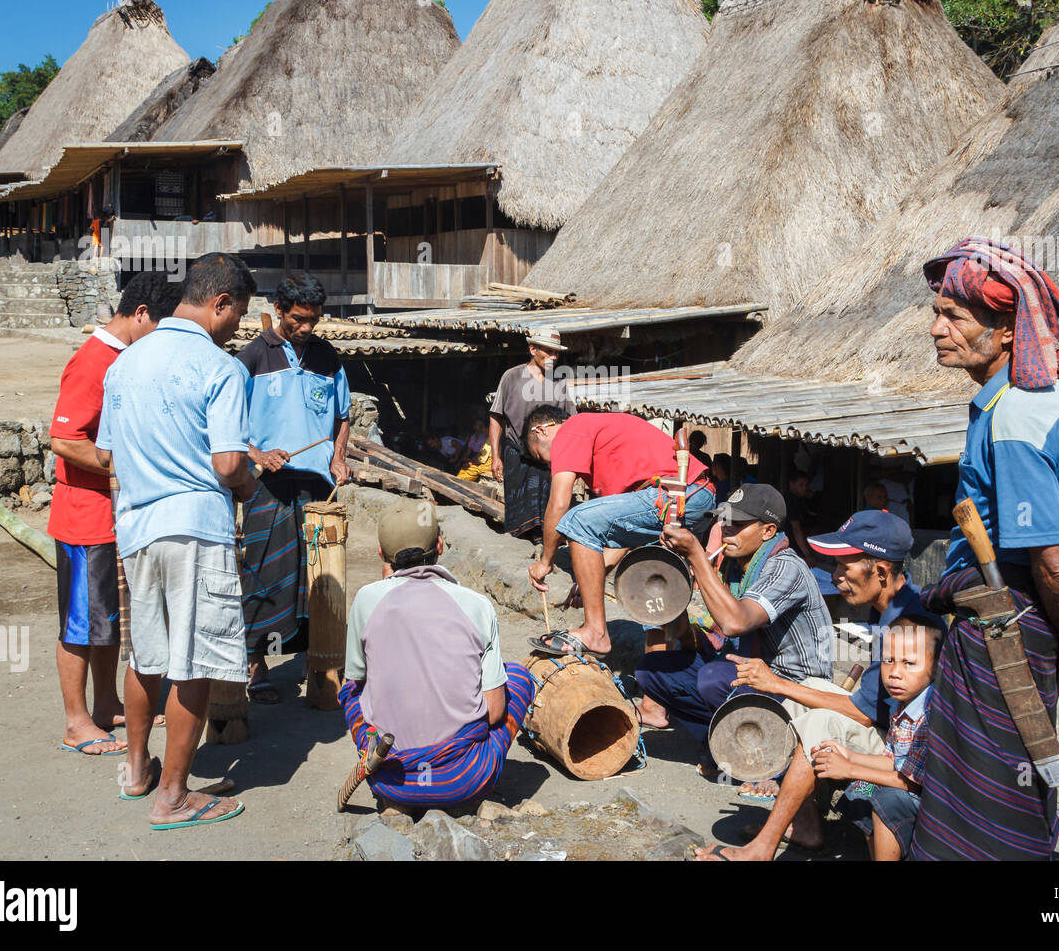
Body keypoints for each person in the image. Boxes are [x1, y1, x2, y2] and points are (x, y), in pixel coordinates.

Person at [912, 237, 1059, 861]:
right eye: (937, 311)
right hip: (1028, 630)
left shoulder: (1016, 420)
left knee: (980, 797)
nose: (936, 328)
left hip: (1004, 631)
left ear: (1005, 331)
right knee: (1019, 778)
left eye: (954, 316)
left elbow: (1057, 564)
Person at [97, 252, 257, 829]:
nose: (238, 324)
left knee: (147, 655)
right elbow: (228, 461)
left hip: (137, 527)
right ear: (219, 303)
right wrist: (247, 480)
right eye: (237, 313)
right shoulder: (220, 369)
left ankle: (138, 771)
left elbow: (109, 453)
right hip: (194, 527)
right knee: (195, 662)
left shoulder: (124, 365)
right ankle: (173, 797)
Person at [693, 509, 930, 860]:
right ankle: (804, 823)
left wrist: (776, 683)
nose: (835, 577)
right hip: (890, 729)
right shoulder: (891, 604)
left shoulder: (908, 623)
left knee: (814, 715)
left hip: (908, 750)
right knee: (797, 702)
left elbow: (864, 716)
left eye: (844, 568)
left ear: (880, 571)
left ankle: (762, 849)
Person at [50, 272, 182, 756]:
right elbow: (64, 438)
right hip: (85, 515)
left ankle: (105, 704)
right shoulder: (93, 362)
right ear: (142, 314)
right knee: (81, 623)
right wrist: (121, 465)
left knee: (108, 617)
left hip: (113, 517)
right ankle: (75, 720)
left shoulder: (124, 359)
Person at [337, 501, 536, 810]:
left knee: (351, 689)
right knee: (520, 678)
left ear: (380, 554)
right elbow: (495, 713)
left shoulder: (366, 599)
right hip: (464, 781)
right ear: (440, 545)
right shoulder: (476, 604)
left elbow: (356, 681)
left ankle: (388, 773)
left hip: (391, 782)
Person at [633, 484, 833, 772]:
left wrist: (697, 556)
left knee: (713, 677)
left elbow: (735, 623)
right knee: (651, 670)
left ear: (768, 531)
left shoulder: (785, 567)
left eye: (738, 525)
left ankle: (767, 759)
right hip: (751, 670)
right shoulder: (734, 569)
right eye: (724, 524)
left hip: (794, 686)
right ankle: (720, 742)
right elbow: (705, 639)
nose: (727, 532)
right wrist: (672, 586)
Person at [237, 273, 352, 703]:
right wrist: (258, 454)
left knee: (315, 579)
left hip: (317, 485)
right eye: (299, 319)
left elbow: (343, 415)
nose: (307, 327)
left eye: (314, 319)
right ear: (279, 310)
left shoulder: (328, 358)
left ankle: (316, 664)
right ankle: (258, 665)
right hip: (267, 486)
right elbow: (227, 425)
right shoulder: (251, 358)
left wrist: (338, 457)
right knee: (266, 574)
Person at [525, 408, 715, 657]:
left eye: (541, 456)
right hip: (691, 496)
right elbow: (621, 537)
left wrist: (545, 562)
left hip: (679, 494)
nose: (549, 464)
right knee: (655, 589)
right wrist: (591, 577)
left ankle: (596, 632)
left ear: (541, 430)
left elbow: (560, 504)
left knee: (577, 519)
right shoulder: (608, 449)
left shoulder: (572, 428)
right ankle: (695, 660)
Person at [815, 616, 944, 861]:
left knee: (887, 797)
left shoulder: (930, 714)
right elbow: (894, 760)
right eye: (888, 660)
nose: (895, 673)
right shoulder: (902, 704)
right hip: (909, 788)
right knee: (861, 788)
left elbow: (912, 783)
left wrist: (850, 768)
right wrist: (850, 756)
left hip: (935, 806)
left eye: (909, 663)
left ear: (936, 666)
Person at [488, 329, 575, 539]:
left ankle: (545, 540)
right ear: (532, 349)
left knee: (547, 499)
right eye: (548, 351)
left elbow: (571, 420)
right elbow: (496, 417)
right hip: (516, 451)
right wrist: (495, 456)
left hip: (547, 456)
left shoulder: (559, 382)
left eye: (556, 353)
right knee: (519, 499)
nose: (553, 357)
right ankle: (519, 540)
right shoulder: (512, 377)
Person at [784, 470, 817, 559]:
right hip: (790, 545)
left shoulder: (797, 498)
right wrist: (807, 554)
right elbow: (796, 529)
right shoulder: (791, 501)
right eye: (801, 485)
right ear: (791, 484)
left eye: (806, 485)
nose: (804, 488)